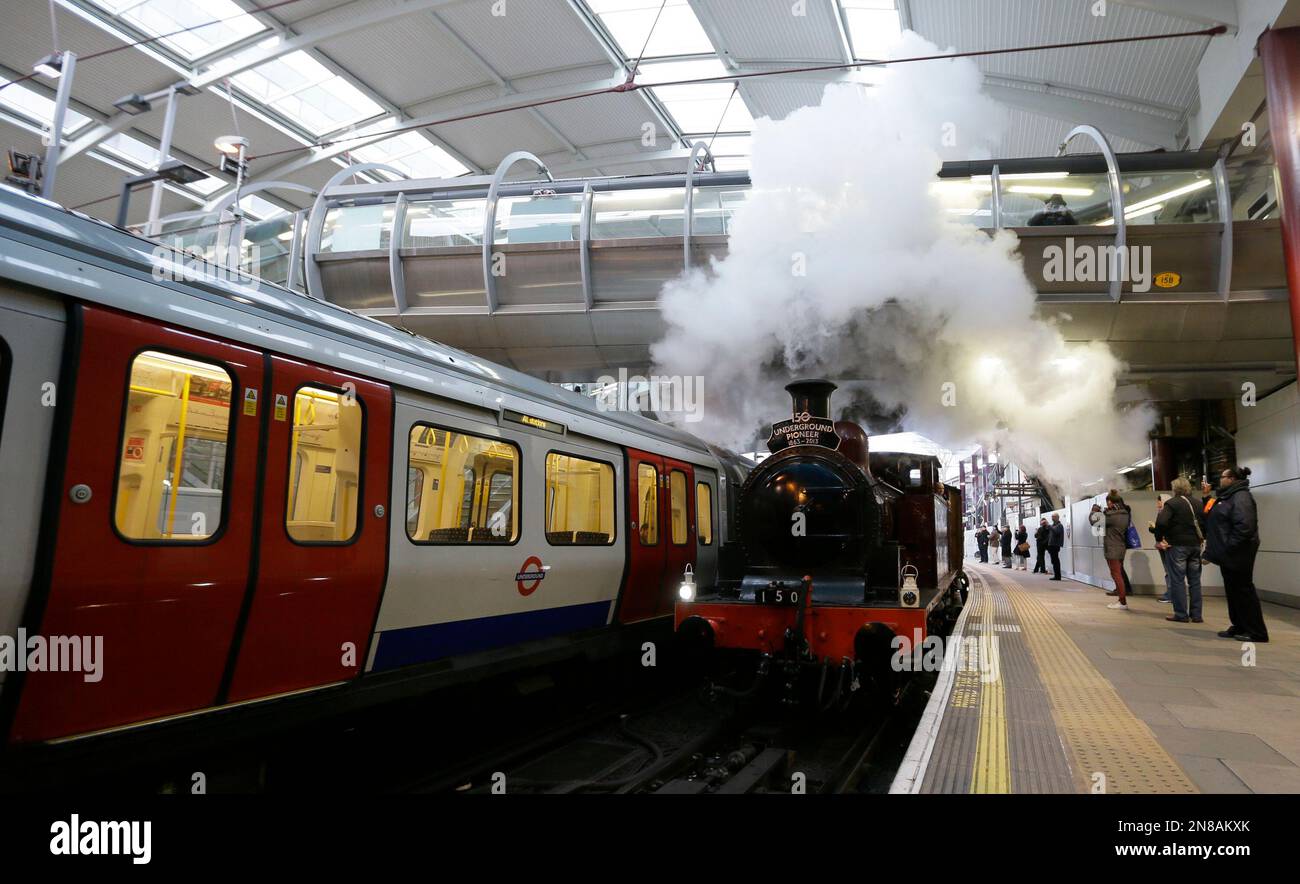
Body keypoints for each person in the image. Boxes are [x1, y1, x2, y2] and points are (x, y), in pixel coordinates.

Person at [1203, 467, 1269, 643]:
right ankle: (1239, 625)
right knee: (1233, 592)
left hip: (1239, 553)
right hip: (1230, 553)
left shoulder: (1241, 497)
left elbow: (1245, 527)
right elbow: (1213, 517)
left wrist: (1229, 547)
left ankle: (1256, 631)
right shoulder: (1228, 496)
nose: (1220, 479)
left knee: (1243, 591)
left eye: (1222, 476)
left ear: (1231, 479)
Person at [1156, 477, 1204, 624]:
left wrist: (1159, 539)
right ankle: (1196, 615)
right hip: (1196, 546)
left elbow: (1162, 522)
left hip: (1177, 546)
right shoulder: (1198, 503)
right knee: (1195, 581)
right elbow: (1206, 523)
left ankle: (1181, 614)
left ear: (1175, 489)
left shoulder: (1172, 503)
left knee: (1177, 580)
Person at [1100, 491, 1132, 610]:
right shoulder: (1125, 514)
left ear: (1110, 502)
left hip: (1112, 548)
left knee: (1116, 574)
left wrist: (1094, 511)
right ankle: (1121, 600)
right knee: (1119, 573)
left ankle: (1122, 602)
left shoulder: (1111, 516)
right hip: (1121, 547)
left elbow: (1094, 521)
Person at [1149, 495, 1173, 604]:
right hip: (1163, 545)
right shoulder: (1162, 512)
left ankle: (1171, 594)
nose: (1157, 504)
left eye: (1159, 501)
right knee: (1168, 570)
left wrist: (1155, 529)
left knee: (1169, 570)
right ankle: (1171, 593)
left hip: (1167, 545)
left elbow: (1164, 528)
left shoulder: (1167, 513)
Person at [1048, 513, 1064, 580]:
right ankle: (1056, 575)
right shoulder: (1053, 525)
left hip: (1055, 545)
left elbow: (1056, 532)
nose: (1052, 518)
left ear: (1057, 517)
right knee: (1054, 561)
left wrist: (1050, 527)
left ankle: (1057, 576)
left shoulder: (1059, 525)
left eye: (1053, 517)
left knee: (1055, 560)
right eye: (1052, 517)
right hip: (1051, 545)